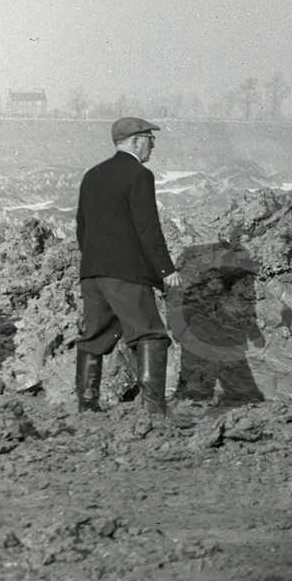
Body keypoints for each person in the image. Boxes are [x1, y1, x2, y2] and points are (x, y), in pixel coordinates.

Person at [73, 116, 180, 414]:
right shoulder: (139, 175)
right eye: (150, 138)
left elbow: (82, 226)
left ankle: (87, 405)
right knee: (150, 334)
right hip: (126, 273)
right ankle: (155, 411)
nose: (153, 144)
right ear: (135, 141)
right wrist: (165, 270)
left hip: (92, 274)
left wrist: (94, 263)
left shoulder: (92, 175)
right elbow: (148, 228)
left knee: (95, 336)